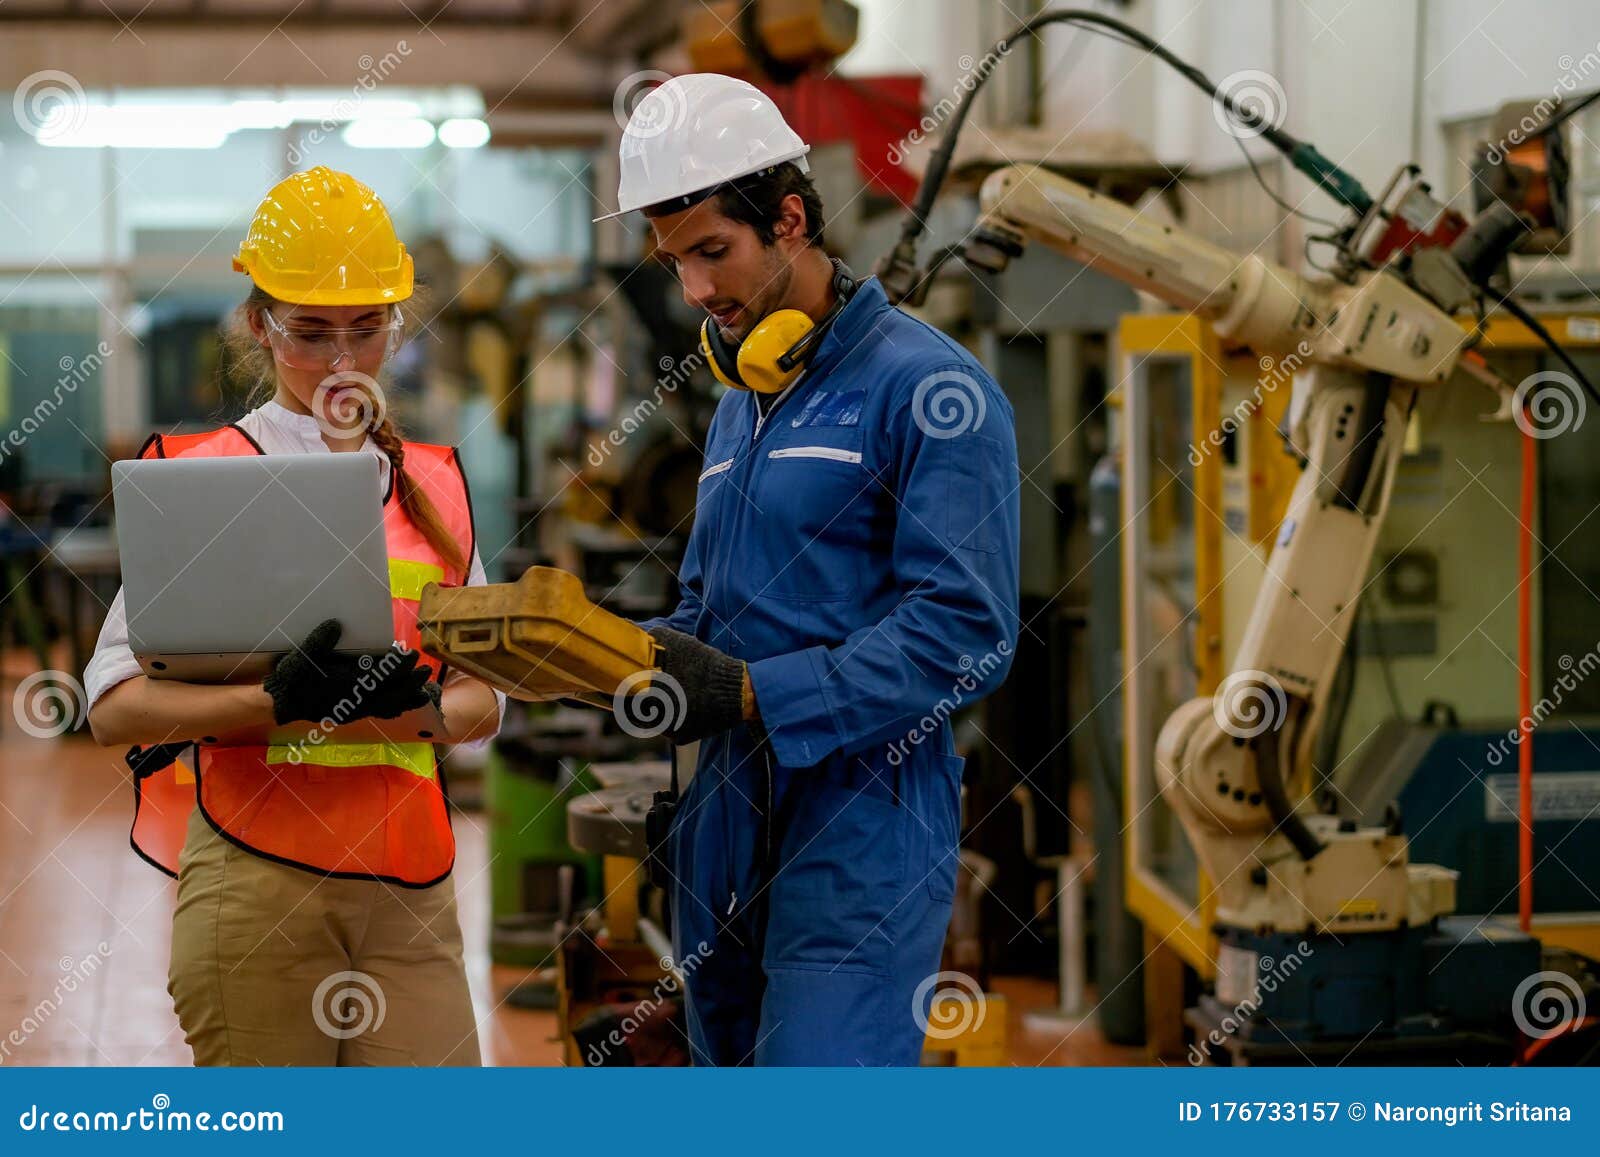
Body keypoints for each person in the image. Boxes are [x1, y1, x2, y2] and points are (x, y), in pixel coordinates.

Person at [603, 74, 1020, 1065]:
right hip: (725, 819)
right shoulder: (746, 396)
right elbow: (707, 598)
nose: (698, 291)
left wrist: (754, 692)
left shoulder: (930, 389)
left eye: (715, 252)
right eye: (676, 262)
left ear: (788, 219)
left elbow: (967, 629)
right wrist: (625, 661)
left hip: (862, 824)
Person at [85, 166, 504, 1067]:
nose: (342, 360)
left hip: (413, 890)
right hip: (258, 882)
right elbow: (113, 705)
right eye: (311, 332)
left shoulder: (437, 484)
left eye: (367, 329)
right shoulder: (201, 479)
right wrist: (274, 703)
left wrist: (421, 709)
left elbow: (486, 699)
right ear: (259, 325)